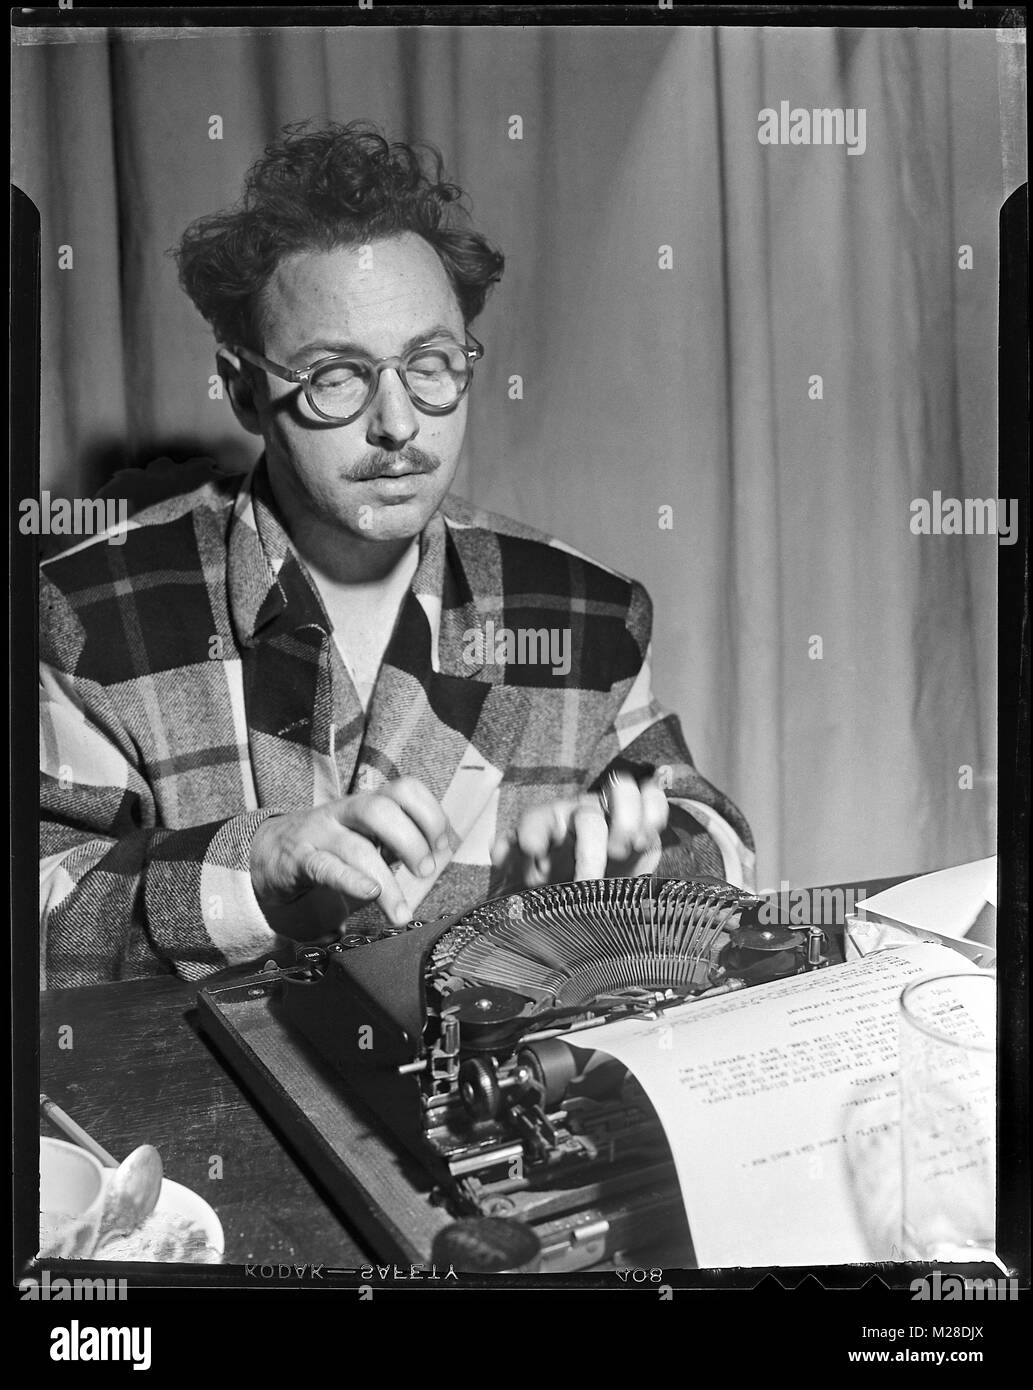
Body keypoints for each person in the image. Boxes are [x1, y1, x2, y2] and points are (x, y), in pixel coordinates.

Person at [39, 121, 754, 987]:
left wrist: (628, 868)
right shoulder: (86, 609)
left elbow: (711, 839)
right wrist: (252, 869)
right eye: (336, 374)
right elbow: (39, 923)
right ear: (243, 390)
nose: (400, 423)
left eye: (430, 362)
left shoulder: (584, 612)